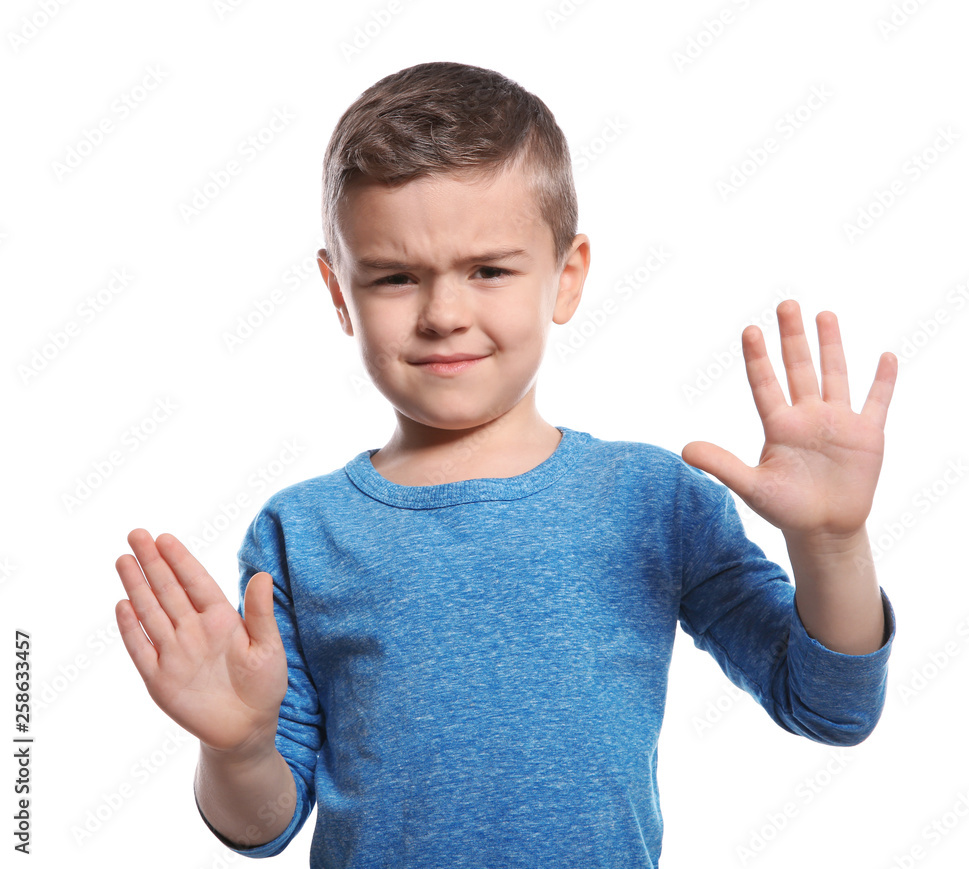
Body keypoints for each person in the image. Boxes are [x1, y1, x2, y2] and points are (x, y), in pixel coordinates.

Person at [114, 61, 898, 868]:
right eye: (393, 277)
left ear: (567, 276)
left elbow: (829, 706)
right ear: (339, 290)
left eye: (488, 269)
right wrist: (238, 748)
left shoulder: (650, 500)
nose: (444, 314)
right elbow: (262, 823)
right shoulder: (301, 531)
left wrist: (833, 542)